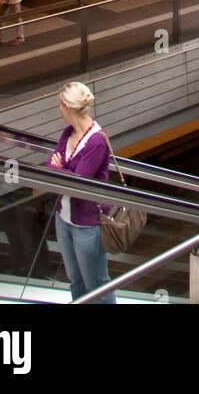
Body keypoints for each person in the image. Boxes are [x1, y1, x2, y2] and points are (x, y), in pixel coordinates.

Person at [48, 82, 116, 304]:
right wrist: (63, 171)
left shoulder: (96, 141)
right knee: (75, 279)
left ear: (67, 107)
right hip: (64, 218)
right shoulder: (68, 133)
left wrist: (61, 169)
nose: (58, 110)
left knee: (96, 282)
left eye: (59, 105)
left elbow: (79, 184)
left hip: (87, 224)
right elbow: (52, 166)